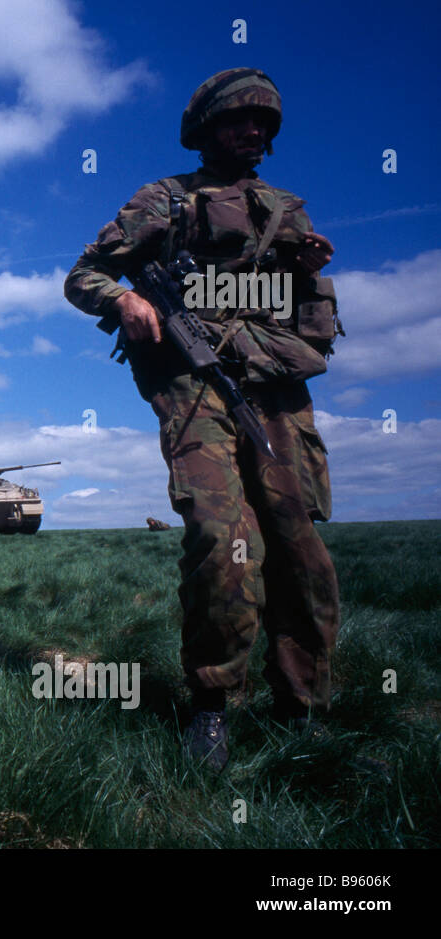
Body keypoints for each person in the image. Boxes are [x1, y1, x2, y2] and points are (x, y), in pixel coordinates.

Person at [64, 69, 342, 769]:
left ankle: (303, 715)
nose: (255, 132)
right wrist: (123, 302)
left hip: (276, 385)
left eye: (265, 125)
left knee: (300, 547)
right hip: (192, 379)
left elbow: (313, 319)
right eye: (241, 120)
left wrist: (307, 271)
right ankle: (213, 706)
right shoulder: (167, 199)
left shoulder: (287, 211)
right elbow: (83, 274)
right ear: (209, 128)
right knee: (224, 538)